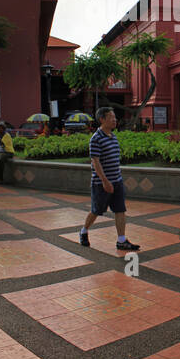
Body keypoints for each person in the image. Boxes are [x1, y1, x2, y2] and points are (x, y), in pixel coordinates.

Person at [79, 107, 138, 253]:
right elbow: (96, 162)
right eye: (111, 117)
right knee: (96, 211)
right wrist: (105, 181)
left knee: (120, 210)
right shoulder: (96, 138)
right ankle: (84, 231)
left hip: (117, 181)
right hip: (101, 184)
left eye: (114, 117)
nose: (114, 120)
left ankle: (121, 240)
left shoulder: (113, 136)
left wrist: (116, 179)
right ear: (102, 119)